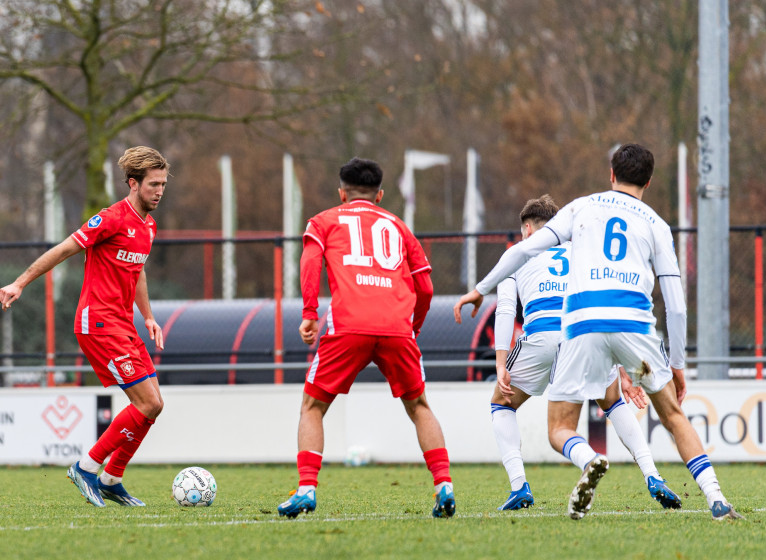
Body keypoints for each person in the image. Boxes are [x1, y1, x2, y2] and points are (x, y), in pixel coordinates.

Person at [454, 144, 741, 521]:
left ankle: (586, 459)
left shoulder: (581, 207)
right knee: (671, 414)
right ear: (649, 181)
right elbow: (676, 305)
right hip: (635, 332)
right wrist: (676, 364)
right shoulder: (656, 224)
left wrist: (480, 289)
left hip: (583, 328)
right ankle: (715, 497)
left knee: (559, 427)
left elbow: (522, 253)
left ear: (611, 174)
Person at [278, 157, 455, 519]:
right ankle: (444, 485)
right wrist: (413, 326)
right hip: (396, 328)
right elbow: (425, 285)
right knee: (419, 406)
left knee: (313, 407)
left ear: (341, 192)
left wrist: (310, 315)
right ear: (381, 194)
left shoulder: (324, 220)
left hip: (348, 325)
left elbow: (310, 263)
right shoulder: (400, 226)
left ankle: (307, 489)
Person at [478, 195, 680, 511]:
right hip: (583, 332)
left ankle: (524, 485)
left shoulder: (518, 254)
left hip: (542, 332)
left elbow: (505, 309)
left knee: (501, 404)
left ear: (528, 230)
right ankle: (652, 475)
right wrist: (622, 365)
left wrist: (501, 363)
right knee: (612, 401)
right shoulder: (581, 249)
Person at [0, 146, 169, 508]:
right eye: (154, 184)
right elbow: (61, 250)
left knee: (155, 405)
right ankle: (86, 466)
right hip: (98, 323)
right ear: (133, 184)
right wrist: (20, 283)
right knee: (147, 402)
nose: (160, 190)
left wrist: (149, 316)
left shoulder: (148, 226)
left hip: (123, 324)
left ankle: (111, 478)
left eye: (163, 184)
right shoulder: (110, 218)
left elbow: (136, 271)